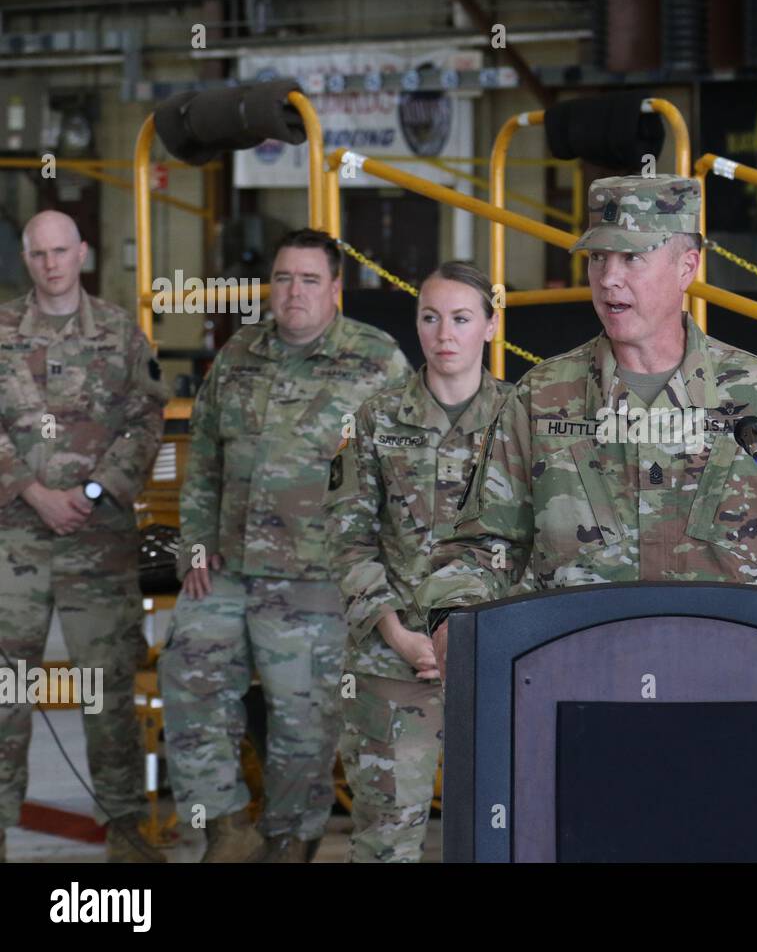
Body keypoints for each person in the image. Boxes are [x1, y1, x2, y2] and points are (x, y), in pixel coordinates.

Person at [416, 174, 757, 669]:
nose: (609, 277)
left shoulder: (755, 395)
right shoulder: (542, 398)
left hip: (728, 688)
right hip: (578, 687)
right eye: (598, 258)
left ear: (687, 266)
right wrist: (454, 619)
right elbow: (481, 546)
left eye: (631, 257)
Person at [160, 228, 410, 862]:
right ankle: (222, 827)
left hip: (317, 578)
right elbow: (206, 462)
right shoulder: (239, 353)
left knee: (303, 725)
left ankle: (289, 843)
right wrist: (195, 544)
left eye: (307, 280)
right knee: (188, 676)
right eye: (282, 279)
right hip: (226, 567)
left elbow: (403, 474)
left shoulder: (376, 362)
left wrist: (377, 580)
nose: (292, 292)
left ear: (334, 288)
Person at [326, 261, 514, 862]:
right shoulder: (376, 419)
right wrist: (400, 635)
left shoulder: (523, 418)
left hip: (497, 658)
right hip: (394, 661)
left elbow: (544, 539)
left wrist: (476, 635)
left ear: (489, 325)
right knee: (385, 843)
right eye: (429, 318)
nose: (443, 334)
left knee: (504, 834)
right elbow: (348, 538)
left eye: (461, 318)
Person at [0, 210, 169, 863]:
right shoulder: (3, 332)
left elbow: (146, 424)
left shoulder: (122, 335)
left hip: (98, 542)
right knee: (8, 692)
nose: (50, 264)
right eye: (38, 253)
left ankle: (126, 830)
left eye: (60, 251)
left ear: (83, 252)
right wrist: (33, 491)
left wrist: (93, 493)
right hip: (15, 540)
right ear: (26, 258)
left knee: (107, 690)